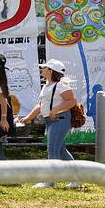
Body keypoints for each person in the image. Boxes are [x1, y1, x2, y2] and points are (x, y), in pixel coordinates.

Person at [16, 59, 78, 187]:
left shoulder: (61, 85)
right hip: (53, 121)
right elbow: (40, 106)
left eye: (45, 68)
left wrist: (54, 110)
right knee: (61, 150)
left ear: (51, 71)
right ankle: (77, 177)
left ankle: (50, 181)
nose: (42, 69)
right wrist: (28, 118)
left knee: (52, 150)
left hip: (59, 120)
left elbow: (71, 101)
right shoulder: (47, 86)